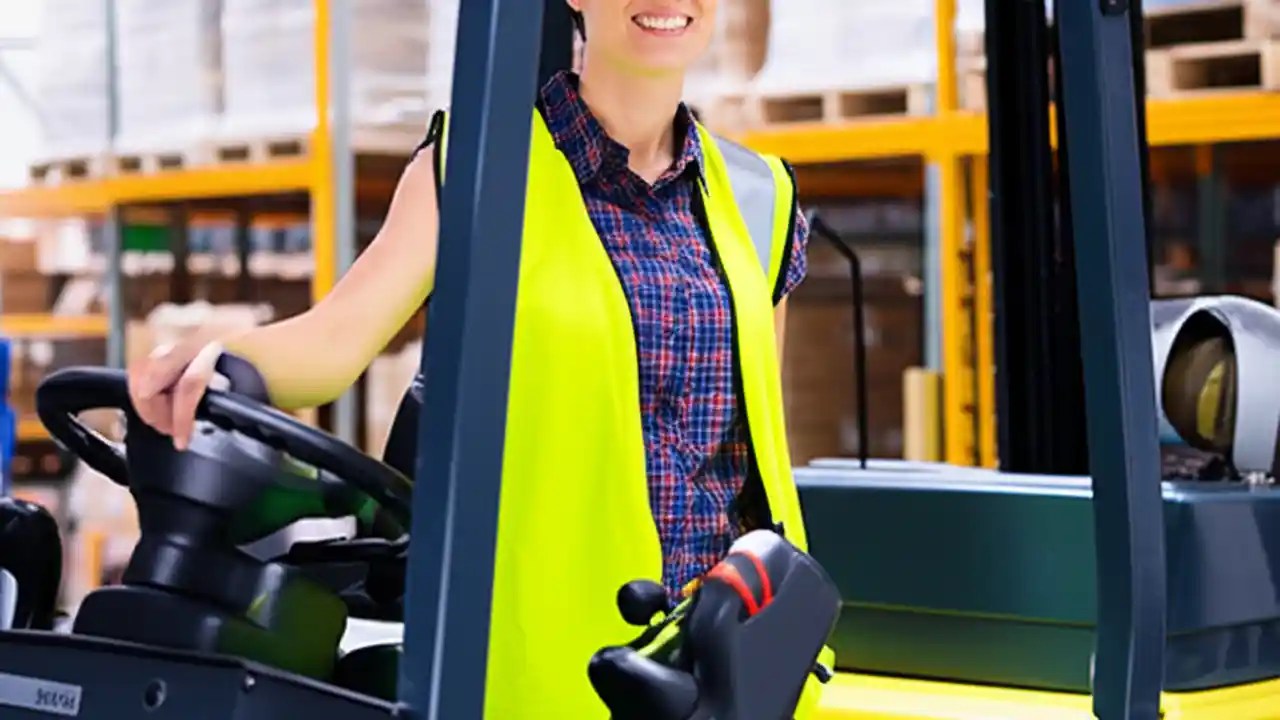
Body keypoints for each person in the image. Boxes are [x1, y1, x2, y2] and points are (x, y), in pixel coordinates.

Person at [127, 0, 829, 715]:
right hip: (558, 668)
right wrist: (211, 359)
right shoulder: (479, 166)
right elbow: (333, 343)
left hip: (733, 668)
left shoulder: (760, 197)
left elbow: (754, 453)